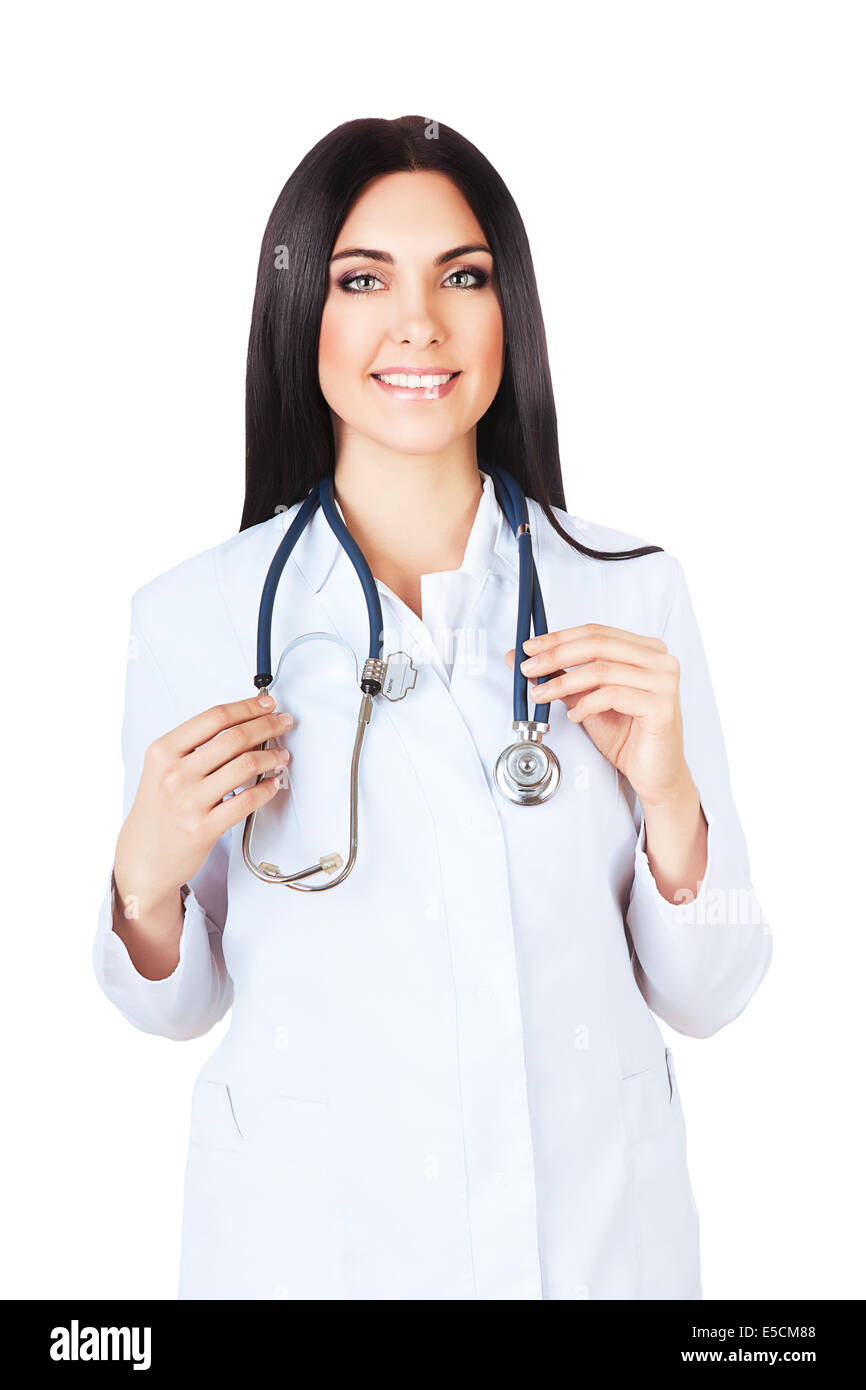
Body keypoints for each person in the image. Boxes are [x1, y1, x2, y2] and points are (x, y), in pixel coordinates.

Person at [93, 115, 773, 1300]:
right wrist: (142, 883)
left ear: (509, 308)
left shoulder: (627, 592)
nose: (419, 322)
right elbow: (179, 1007)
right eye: (363, 279)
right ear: (302, 314)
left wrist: (669, 799)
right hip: (314, 1250)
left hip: (594, 1242)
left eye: (462, 276)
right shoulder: (197, 618)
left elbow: (711, 992)